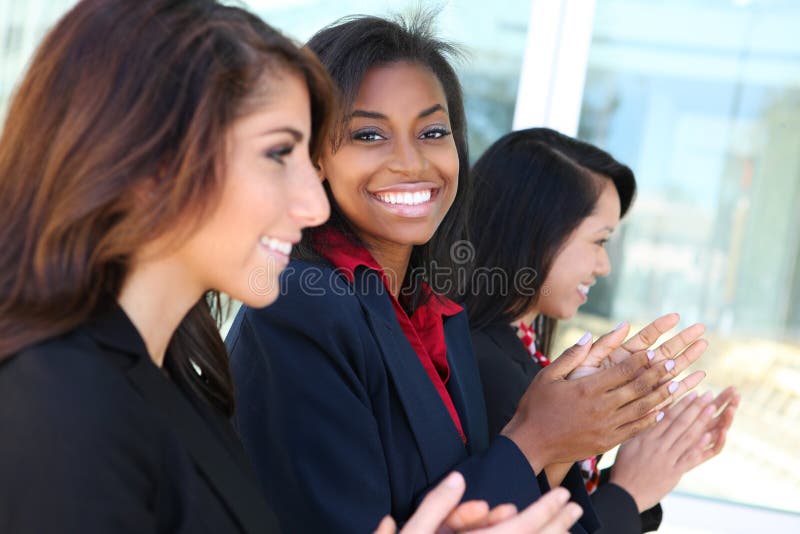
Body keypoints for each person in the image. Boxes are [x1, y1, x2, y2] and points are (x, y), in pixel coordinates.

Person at [226, 14, 703, 534]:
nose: (411, 162)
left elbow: (474, 498)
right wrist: (535, 435)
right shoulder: (299, 307)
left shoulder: (435, 316)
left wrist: (568, 430)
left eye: (433, 131)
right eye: (368, 134)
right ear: (315, 155)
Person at [0, 0, 334, 531]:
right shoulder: (59, 404)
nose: (316, 206)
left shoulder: (180, 377)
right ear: (146, 159)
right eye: (278, 154)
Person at [463, 128, 739, 533]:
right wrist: (629, 491)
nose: (604, 266)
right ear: (535, 230)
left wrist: (635, 462)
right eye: (599, 240)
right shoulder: (485, 367)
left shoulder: (506, 353)